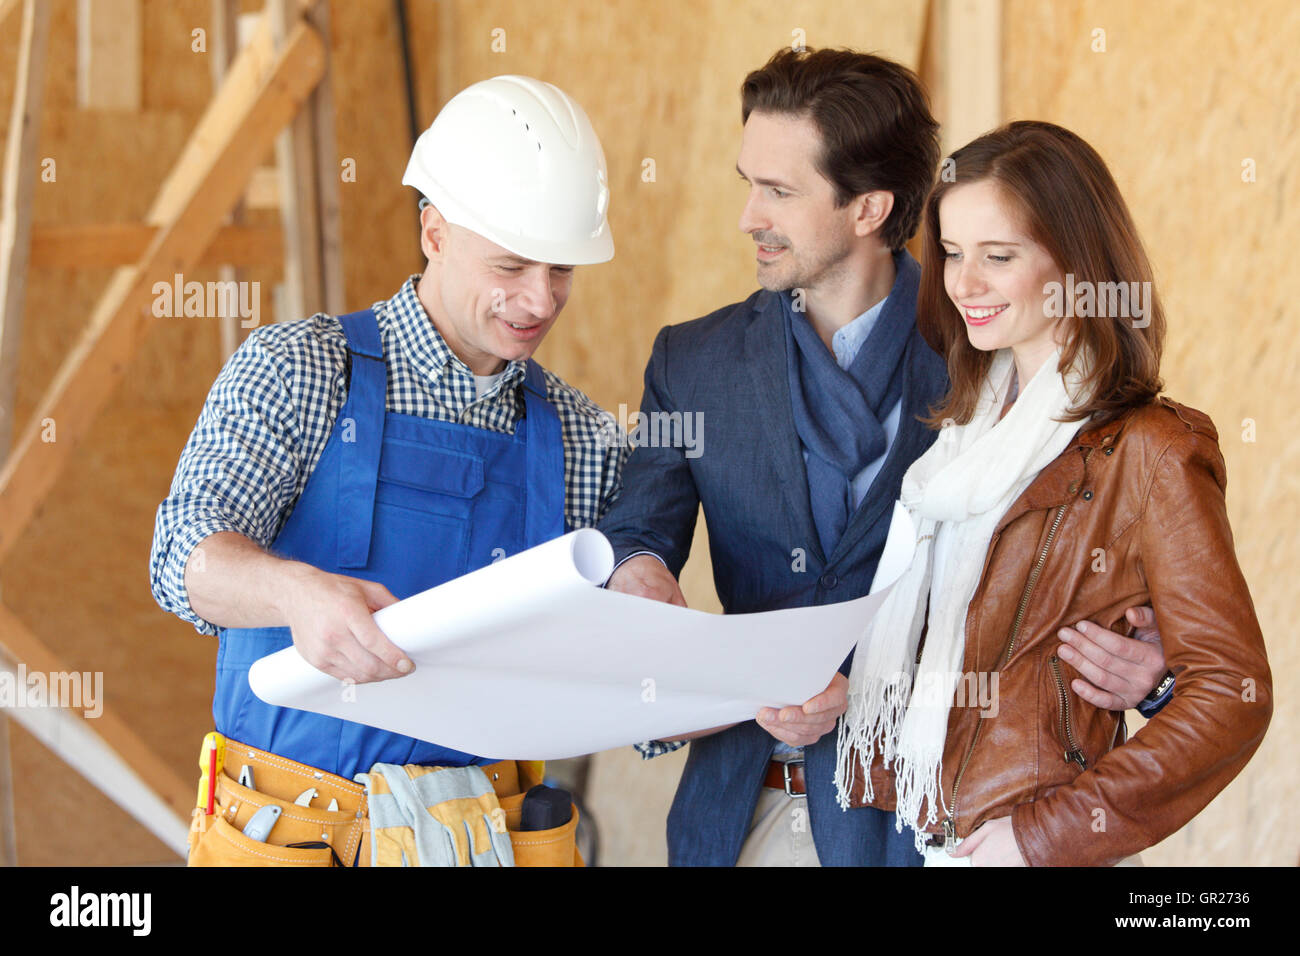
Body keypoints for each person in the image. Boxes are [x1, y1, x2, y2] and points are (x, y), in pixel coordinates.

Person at [600, 48, 1173, 867]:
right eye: (746, 182)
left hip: (940, 827)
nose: (747, 216)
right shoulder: (691, 363)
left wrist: (1149, 669)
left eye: (778, 192)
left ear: (869, 207)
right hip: (739, 818)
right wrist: (638, 574)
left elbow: (1111, 587)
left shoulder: (997, 358)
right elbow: (634, 531)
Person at [149, 75, 621, 866]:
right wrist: (295, 593)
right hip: (290, 833)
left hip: (480, 839)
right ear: (434, 232)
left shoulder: (582, 436)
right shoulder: (300, 368)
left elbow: (597, 666)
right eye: (512, 267)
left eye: (562, 271)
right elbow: (182, 561)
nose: (539, 300)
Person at [834, 120, 1272, 866]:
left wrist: (1044, 837)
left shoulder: (1152, 450)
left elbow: (1232, 695)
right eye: (952, 252)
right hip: (931, 836)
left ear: (1073, 263)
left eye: (998, 257)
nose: (963, 284)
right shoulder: (963, 433)